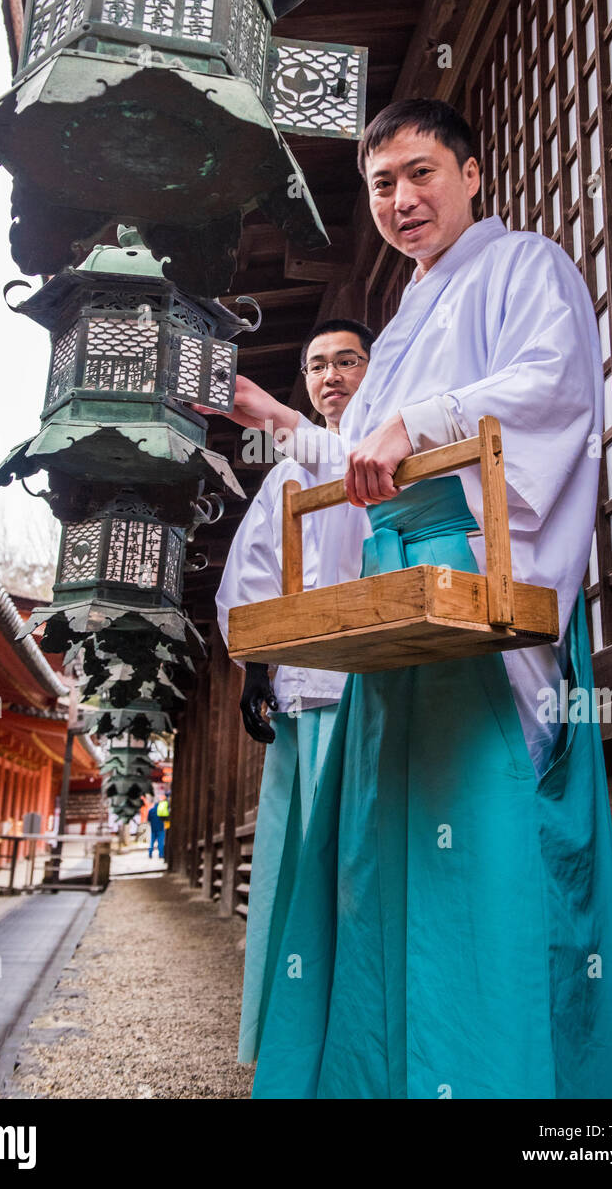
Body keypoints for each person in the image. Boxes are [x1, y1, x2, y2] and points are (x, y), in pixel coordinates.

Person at [211, 99, 612, 1099]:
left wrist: (421, 418)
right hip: (393, 602)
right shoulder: (405, 319)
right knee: (380, 861)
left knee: (479, 860)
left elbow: (554, 386)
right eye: (381, 184)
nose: (403, 200)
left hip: (478, 588)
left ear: (473, 173)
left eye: (421, 173)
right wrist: (271, 415)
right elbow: (354, 465)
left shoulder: (526, 266)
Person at [214, 319, 373, 1064]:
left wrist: (284, 423)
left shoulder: (384, 447)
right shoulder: (284, 475)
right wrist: (255, 668)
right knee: (297, 871)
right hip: (302, 701)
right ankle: (294, 1044)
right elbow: (252, 574)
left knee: (358, 868)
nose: (331, 375)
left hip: (371, 690)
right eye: (316, 365)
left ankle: (358, 1046)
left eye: (347, 360)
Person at [148, 791, 169, 863]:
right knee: (160, 842)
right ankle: (161, 854)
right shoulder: (162, 809)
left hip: (153, 828)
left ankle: (150, 853)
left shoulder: (151, 810)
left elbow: (148, 819)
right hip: (161, 828)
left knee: (151, 842)